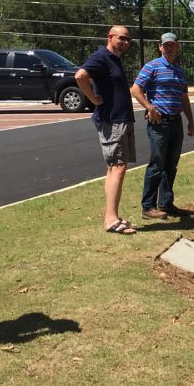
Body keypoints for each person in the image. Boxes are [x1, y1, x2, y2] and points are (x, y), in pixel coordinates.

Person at [75, 25, 137, 234]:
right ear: (110, 37)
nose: (125, 42)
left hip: (121, 119)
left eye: (128, 40)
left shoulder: (114, 59)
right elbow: (80, 76)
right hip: (112, 121)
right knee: (117, 167)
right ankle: (110, 220)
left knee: (115, 168)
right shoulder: (101, 56)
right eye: (121, 38)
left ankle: (113, 216)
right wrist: (93, 98)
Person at [130, 32, 194, 220]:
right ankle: (147, 207)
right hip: (159, 123)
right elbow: (136, 89)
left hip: (176, 121)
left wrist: (190, 121)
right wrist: (150, 108)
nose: (169, 48)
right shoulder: (152, 67)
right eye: (165, 45)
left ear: (177, 47)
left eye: (172, 45)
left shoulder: (180, 72)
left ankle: (166, 203)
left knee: (171, 165)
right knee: (157, 164)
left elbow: (184, 98)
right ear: (160, 47)